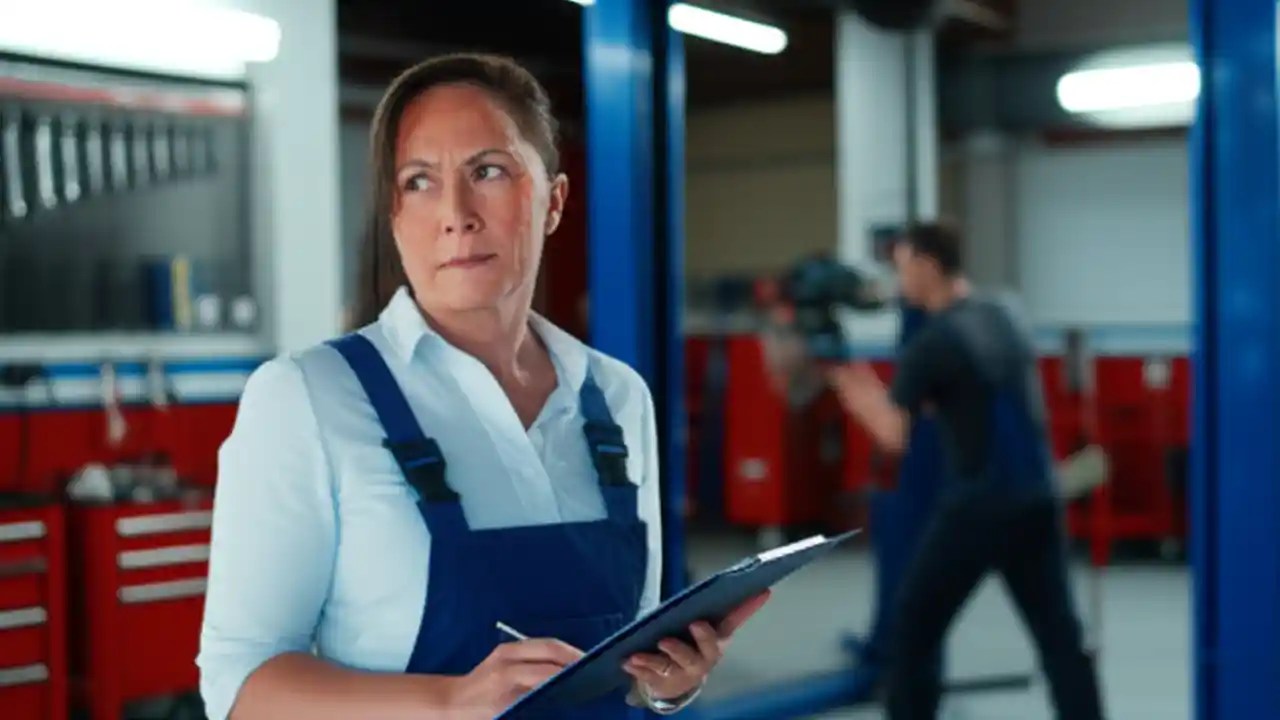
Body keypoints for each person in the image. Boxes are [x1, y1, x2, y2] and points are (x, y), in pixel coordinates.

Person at [197, 53, 768, 720]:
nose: (456, 214)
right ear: (393, 216)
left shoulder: (616, 398)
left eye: (488, 172)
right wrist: (449, 702)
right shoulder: (307, 397)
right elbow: (238, 687)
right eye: (418, 182)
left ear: (553, 201)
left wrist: (668, 683)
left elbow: (627, 657)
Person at [823, 223, 1106, 719]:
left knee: (913, 628)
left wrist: (848, 385)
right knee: (1060, 637)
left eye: (904, 266)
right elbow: (970, 395)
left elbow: (894, 434)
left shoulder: (934, 342)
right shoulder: (1006, 312)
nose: (899, 280)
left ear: (928, 266)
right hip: (1039, 498)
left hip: (979, 507)